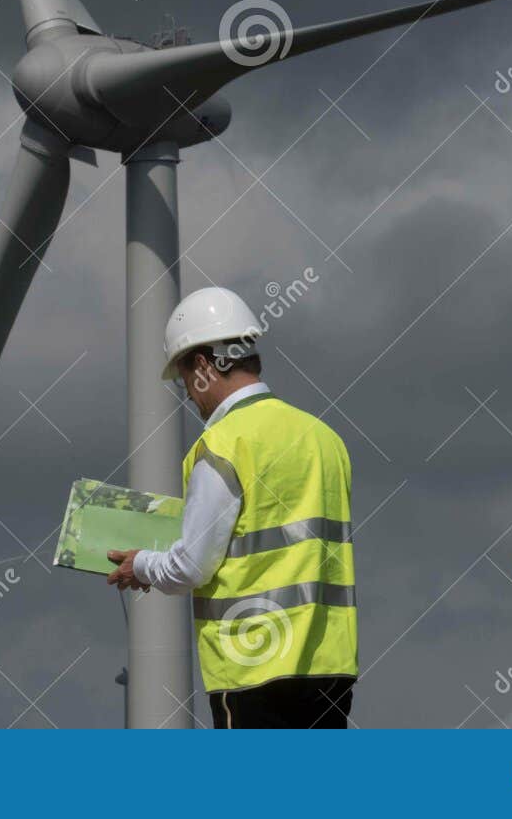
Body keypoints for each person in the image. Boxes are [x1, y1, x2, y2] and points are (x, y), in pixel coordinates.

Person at [106, 286, 358, 728]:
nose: (189, 394)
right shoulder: (325, 439)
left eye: (185, 379)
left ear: (204, 366)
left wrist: (140, 564)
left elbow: (192, 566)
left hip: (253, 667)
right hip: (328, 667)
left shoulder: (223, 443)